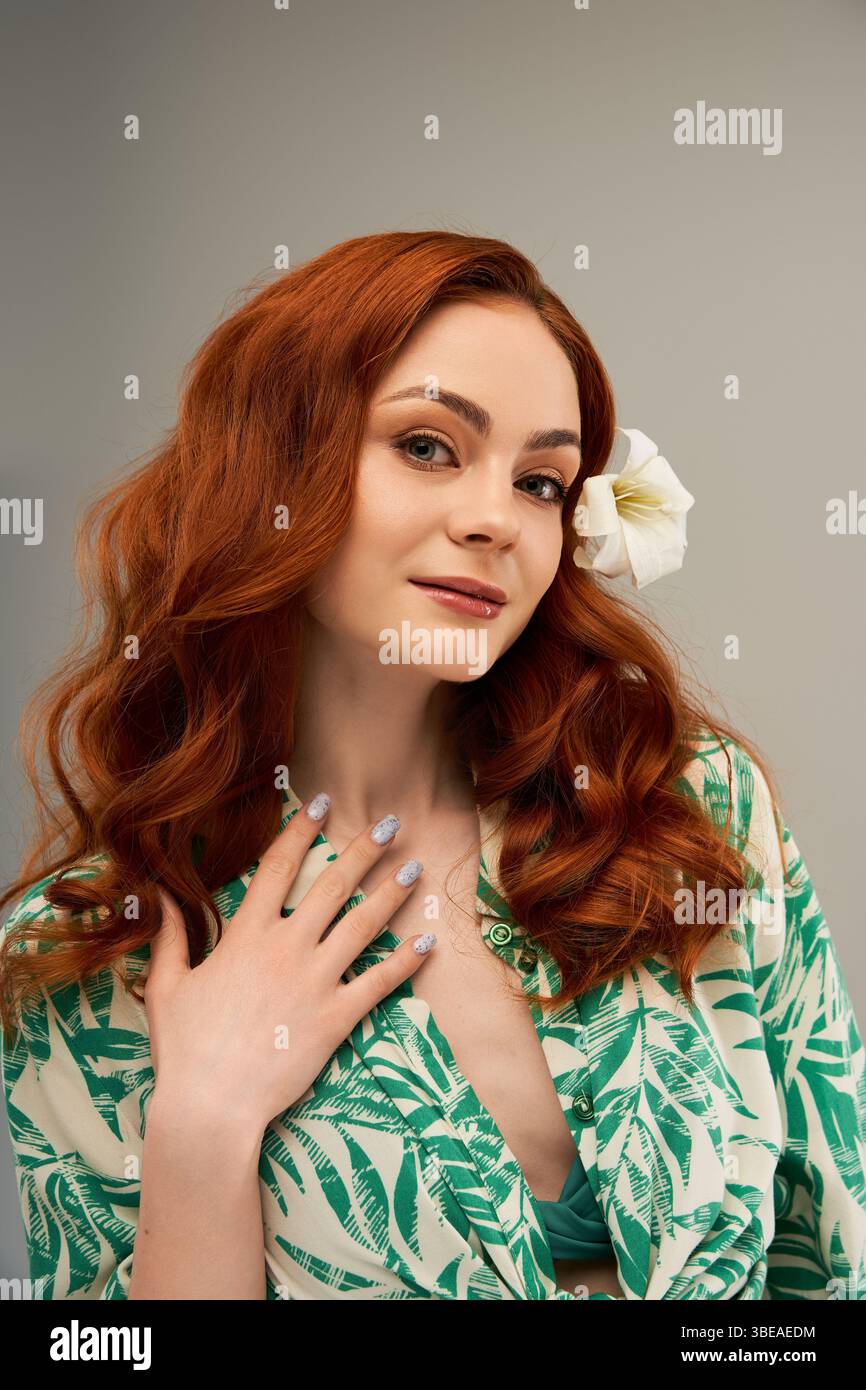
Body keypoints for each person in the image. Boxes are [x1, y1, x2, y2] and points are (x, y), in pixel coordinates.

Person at [1, 231, 864, 1301]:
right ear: (272, 467)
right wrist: (203, 1122)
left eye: (542, 481)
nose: (493, 519)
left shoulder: (682, 808)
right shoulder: (91, 952)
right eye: (426, 446)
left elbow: (831, 1252)